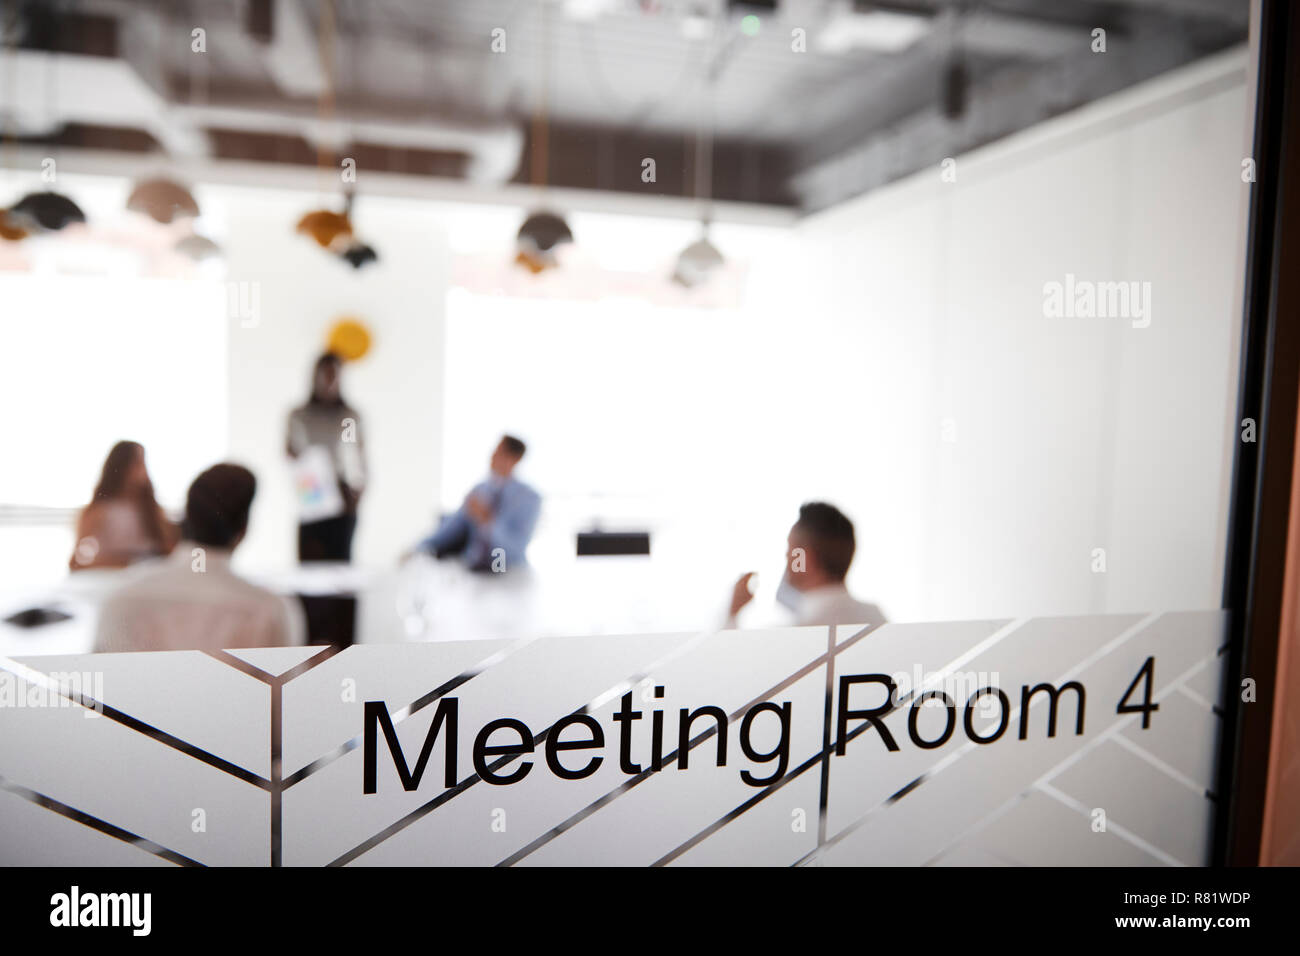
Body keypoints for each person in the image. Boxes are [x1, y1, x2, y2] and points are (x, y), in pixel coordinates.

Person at [94, 464, 305, 653]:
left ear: (185, 517)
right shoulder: (270, 611)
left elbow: (94, 690)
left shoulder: (118, 598)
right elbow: (283, 696)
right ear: (243, 529)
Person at [727, 502, 886, 629]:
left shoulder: (797, 631)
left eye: (791, 550)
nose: (786, 557)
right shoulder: (877, 617)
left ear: (804, 559)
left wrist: (732, 615)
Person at [410, 435, 541, 572]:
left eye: (499, 451)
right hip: (475, 569)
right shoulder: (480, 490)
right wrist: (420, 547)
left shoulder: (530, 499)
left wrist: (488, 522)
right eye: (494, 450)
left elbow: (516, 547)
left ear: (515, 459)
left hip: (508, 571)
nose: (493, 455)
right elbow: (452, 527)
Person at [286, 352, 367, 562]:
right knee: (310, 566)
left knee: (340, 565)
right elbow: (289, 452)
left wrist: (358, 491)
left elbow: (358, 458)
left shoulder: (349, 416)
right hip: (312, 493)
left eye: (335, 376)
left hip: (342, 495)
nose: (330, 382)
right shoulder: (299, 416)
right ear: (315, 377)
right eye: (326, 375)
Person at [69, 441, 177, 571]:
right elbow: (75, 563)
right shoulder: (100, 510)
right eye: (137, 463)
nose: (142, 470)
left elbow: (171, 551)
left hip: (149, 576)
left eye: (143, 463)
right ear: (121, 466)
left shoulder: (152, 510)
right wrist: (126, 562)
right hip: (113, 577)